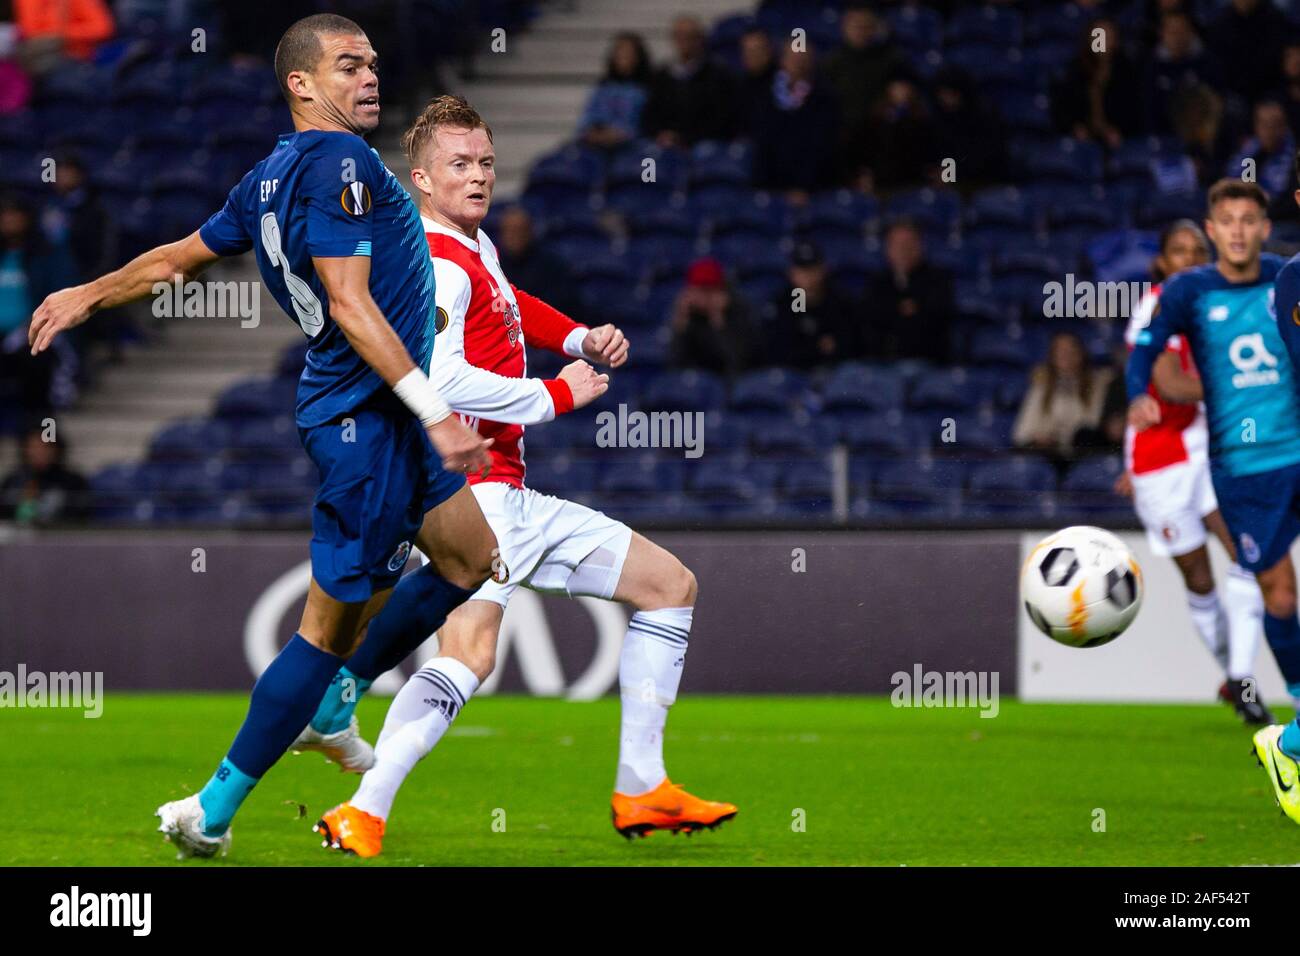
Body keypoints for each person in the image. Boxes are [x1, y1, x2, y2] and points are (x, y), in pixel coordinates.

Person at [28, 14, 500, 859]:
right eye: (348, 65)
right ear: (301, 83)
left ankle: (333, 698)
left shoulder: (271, 176)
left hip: (368, 412)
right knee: (325, 631)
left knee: (471, 558)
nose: (369, 78)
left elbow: (176, 259)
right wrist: (437, 411)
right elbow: (350, 304)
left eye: (372, 65)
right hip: (368, 419)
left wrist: (87, 293)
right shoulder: (344, 162)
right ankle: (211, 807)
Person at [312, 95, 735, 856]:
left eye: (485, 163)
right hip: (479, 500)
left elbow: (510, 308)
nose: (477, 177)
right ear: (421, 178)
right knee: (471, 654)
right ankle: (361, 806)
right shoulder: (438, 263)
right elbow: (439, 375)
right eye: (458, 166)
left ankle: (641, 788)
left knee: (666, 587)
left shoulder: (472, 249)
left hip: (509, 498)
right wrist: (554, 394)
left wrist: (575, 333)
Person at [1125, 179, 1300, 825]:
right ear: (1211, 227)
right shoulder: (1187, 293)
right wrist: (1140, 391)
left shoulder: (1288, 276)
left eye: (1248, 220)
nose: (1236, 231)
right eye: (1225, 220)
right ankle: (1288, 738)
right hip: (1244, 469)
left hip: (1296, 447)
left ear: (1262, 227)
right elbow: (1145, 351)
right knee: (1278, 593)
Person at [1119, 219, 1268, 723]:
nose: (1187, 258)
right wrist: (1241, 383)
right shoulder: (1155, 305)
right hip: (1159, 464)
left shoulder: (1215, 304)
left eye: (1195, 250)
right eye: (1177, 250)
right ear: (1162, 262)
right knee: (1200, 581)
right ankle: (1233, 673)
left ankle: (1244, 680)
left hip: (1208, 450)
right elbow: (1168, 382)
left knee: (1248, 551)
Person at [749, 42, 840, 198]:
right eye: (793, 58)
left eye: (803, 59)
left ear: (812, 61)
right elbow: (762, 141)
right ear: (782, 61)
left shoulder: (824, 97)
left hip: (813, 188)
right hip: (770, 185)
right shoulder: (766, 95)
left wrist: (803, 187)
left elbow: (821, 145)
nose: (798, 64)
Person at [862, 219, 953, 364]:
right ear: (888, 249)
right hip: (881, 363)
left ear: (920, 246)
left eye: (908, 244)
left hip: (925, 362)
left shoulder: (937, 281)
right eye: (897, 245)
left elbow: (934, 320)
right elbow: (870, 320)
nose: (903, 250)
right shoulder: (878, 283)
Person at [639, 14, 737, 148]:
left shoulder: (718, 75)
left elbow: (721, 119)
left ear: (700, 39)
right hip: (666, 142)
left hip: (703, 142)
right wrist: (660, 134)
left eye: (690, 37)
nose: (684, 41)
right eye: (679, 36)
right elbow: (650, 115)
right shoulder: (661, 75)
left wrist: (684, 138)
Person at [1014, 331, 1112, 458]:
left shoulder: (1098, 384)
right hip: (1047, 454)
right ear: (1052, 357)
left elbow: (1092, 424)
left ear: (1082, 354)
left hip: (1079, 455)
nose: (1066, 355)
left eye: (1072, 350)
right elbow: (1021, 433)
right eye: (1060, 351)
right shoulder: (1042, 385)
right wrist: (1039, 437)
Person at [766, 241, 860, 368]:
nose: (808, 277)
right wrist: (816, 348)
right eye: (802, 271)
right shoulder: (784, 303)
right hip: (794, 377)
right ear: (792, 274)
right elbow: (780, 352)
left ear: (823, 270)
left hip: (836, 375)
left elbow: (852, 344)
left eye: (812, 269)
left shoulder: (839, 300)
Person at [669, 256, 758, 377]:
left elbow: (737, 362)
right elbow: (674, 364)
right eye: (697, 290)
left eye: (707, 290)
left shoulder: (738, 311)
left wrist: (718, 320)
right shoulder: (690, 315)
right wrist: (681, 324)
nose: (701, 296)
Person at [577, 32, 652, 150]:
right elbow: (588, 119)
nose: (623, 57)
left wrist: (622, 134)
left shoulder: (647, 89)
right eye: (620, 52)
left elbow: (647, 125)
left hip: (633, 148)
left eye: (629, 53)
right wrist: (594, 133)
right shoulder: (603, 88)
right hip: (597, 146)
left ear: (639, 56)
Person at [0, 423, 88, 524]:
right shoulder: (13, 481)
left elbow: (80, 518)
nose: (39, 452)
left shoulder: (73, 482)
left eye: (45, 447)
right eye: (34, 447)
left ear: (56, 449)